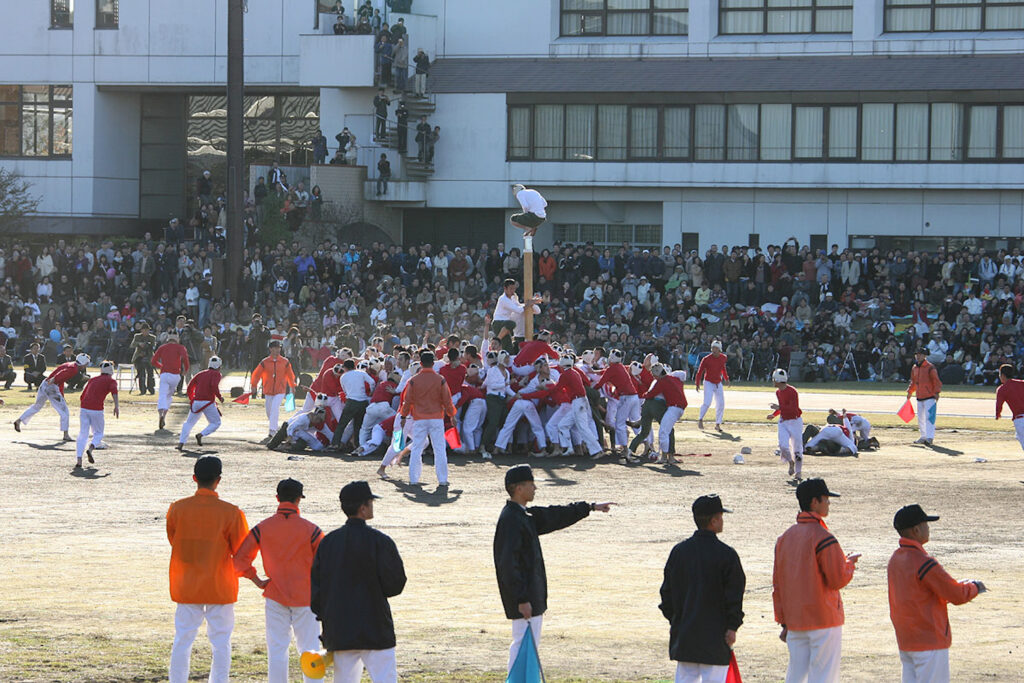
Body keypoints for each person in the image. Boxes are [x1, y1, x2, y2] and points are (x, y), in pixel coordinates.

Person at [493, 464, 615, 673]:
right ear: (518, 488)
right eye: (531, 485)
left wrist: (590, 507)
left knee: (528, 644)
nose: (535, 489)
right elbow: (508, 565)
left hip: (530, 594)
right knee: (523, 644)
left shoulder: (522, 515)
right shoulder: (511, 520)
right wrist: (521, 599)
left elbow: (556, 515)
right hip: (525, 597)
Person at [166, 456, 253, 683]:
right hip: (219, 584)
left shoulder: (177, 508)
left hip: (187, 583)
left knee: (183, 639)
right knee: (221, 641)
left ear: (194, 478)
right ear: (219, 480)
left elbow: (174, 539)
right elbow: (242, 550)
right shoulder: (231, 512)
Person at [311, 481, 406, 683]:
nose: (372, 506)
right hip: (375, 626)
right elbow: (395, 584)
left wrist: (325, 619)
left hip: (340, 628)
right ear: (363, 508)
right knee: (385, 678)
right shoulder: (380, 541)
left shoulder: (328, 543)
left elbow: (317, 589)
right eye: (370, 502)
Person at [234, 478, 325, 683]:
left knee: (277, 650)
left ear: (277, 498)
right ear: (298, 500)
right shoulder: (311, 530)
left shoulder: (263, 527)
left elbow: (239, 560)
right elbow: (327, 562)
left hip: (275, 594)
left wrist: (256, 579)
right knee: (310, 650)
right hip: (307, 597)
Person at [773, 478, 859, 683]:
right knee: (823, 676)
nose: (828, 503)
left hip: (795, 620)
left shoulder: (784, 538)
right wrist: (849, 564)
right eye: (826, 499)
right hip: (823, 618)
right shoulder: (823, 537)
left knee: (795, 675)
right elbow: (837, 579)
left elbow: (778, 585)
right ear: (814, 502)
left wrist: (783, 621)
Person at [887, 504, 984, 683]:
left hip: (907, 639)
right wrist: (974, 587)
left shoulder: (895, 559)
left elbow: (916, 595)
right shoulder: (923, 562)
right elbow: (956, 595)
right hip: (929, 640)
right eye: (925, 524)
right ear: (916, 529)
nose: (928, 528)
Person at [659, 494, 745, 683]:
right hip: (716, 637)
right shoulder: (727, 555)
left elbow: (666, 595)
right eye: (721, 516)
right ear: (713, 521)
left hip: (685, 636)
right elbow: (734, 596)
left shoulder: (679, 552)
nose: (722, 521)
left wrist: (677, 620)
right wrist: (732, 626)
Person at [397, 350, 455, 487]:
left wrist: (404, 416)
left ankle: (413, 479)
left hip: (419, 418)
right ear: (433, 363)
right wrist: (452, 415)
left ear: (421, 363)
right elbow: (447, 400)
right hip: (436, 417)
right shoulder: (440, 379)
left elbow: (407, 401)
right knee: (439, 449)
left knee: (417, 448)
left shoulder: (413, 380)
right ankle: (442, 479)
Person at [14, 352, 90, 441]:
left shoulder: (70, 364)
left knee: (36, 406)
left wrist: (59, 391)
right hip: (51, 386)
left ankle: (19, 420)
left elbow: (61, 378)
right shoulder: (74, 369)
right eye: (86, 364)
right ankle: (65, 435)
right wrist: (54, 379)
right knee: (64, 411)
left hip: (45, 383)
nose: (86, 366)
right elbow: (61, 375)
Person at [75, 360, 119, 470]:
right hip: (97, 409)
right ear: (111, 371)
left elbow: (83, 395)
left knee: (83, 434)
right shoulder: (111, 381)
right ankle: (91, 448)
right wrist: (116, 406)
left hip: (84, 407)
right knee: (98, 433)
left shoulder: (92, 380)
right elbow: (114, 393)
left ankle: (79, 460)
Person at [251, 340, 297, 441]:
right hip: (268, 390)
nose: (277, 350)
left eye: (279, 348)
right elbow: (256, 374)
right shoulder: (264, 362)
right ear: (270, 349)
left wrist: (292, 386)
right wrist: (254, 385)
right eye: (275, 348)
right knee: (269, 411)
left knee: (274, 409)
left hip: (280, 390)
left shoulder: (285, 362)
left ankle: (272, 431)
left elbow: (290, 375)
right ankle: (275, 427)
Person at [177, 356, 225, 451]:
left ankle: (181, 442)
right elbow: (213, 386)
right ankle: (201, 434)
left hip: (197, 402)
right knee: (216, 423)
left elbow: (190, 387)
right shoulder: (217, 374)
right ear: (219, 366)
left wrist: (192, 399)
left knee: (189, 423)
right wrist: (220, 397)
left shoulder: (200, 374)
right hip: (208, 402)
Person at [331, 358, 376, 451]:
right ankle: (357, 444)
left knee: (342, 424)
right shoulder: (361, 373)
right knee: (358, 425)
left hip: (351, 401)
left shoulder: (343, 377)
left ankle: (335, 443)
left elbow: (344, 390)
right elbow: (372, 382)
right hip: (363, 402)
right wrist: (371, 392)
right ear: (354, 366)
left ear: (345, 368)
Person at [768, 368, 804, 480]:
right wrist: (774, 414)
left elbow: (793, 409)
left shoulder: (792, 391)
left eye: (774, 379)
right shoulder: (778, 392)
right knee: (783, 445)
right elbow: (783, 408)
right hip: (783, 421)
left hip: (795, 421)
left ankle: (798, 472)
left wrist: (779, 408)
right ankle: (790, 462)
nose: (773, 382)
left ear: (778, 380)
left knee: (797, 448)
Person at [152, 332, 190, 431]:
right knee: (169, 396)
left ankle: (161, 414)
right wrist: (185, 370)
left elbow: (153, 361)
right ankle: (164, 415)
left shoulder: (162, 347)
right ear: (177, 339)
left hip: (164, 374)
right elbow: (185, 359)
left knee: (162, 395)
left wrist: (162, 366)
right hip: (175, 375)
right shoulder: (180, 347)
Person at [492, 278, 542, 353]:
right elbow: (518, 310)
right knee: (511, 323)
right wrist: (529, 303)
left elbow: (519, 306)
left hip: (505, 325)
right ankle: (497, 340)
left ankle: (499, 343)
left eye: (514, 289)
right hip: (499, 322)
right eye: (511, 289)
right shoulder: (503, 299)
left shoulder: (513, 297)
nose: (513, 291)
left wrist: (531, 303)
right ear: (505, 288)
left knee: (508, 349)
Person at [907, 347, 942, 446]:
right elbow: (913, 381)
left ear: (924, 356)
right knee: (921, 418)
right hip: (919, 396)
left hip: (929, 396)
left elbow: (936, 381)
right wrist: (910, 391)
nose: (917, 356)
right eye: (916, 354)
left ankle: (929, 437)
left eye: (920, 354)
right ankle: (923, 436)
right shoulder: (915, 367)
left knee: (929, 418)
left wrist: (936, 392)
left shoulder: (930, 367)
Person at [695, 340, 729, 432]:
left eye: (716, 348)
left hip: (718, 383)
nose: (714, 350)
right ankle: (700, 418)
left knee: (721, 404)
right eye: (713, 348)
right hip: (708, 382)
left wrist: (726, 378)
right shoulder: (706, 359)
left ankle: (718, 424)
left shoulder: (723, 358)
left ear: (720, 350)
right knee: (707, 402)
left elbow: (723, 368)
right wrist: (697, 383)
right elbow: (700, 372)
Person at [995, 363, 1024, 453]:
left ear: (1003, 375)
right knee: (1018, 437)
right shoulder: (1022, 383)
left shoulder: (1002, 389)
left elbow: (999, 405)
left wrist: (997, 414)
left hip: (1020, 419)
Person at [131, 321, 157, 395]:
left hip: (149, 357)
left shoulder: (152, 337)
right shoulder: (137, 336)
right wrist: (139, 344)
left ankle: (151, 388)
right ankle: (142, 390)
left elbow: (154, 346)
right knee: (141, 374)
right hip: (139, 357)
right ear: (141, 330)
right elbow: (132, 345)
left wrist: (148, 345)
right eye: (144, 330)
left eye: (147, 330)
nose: (146, 331)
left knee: (150, 374)